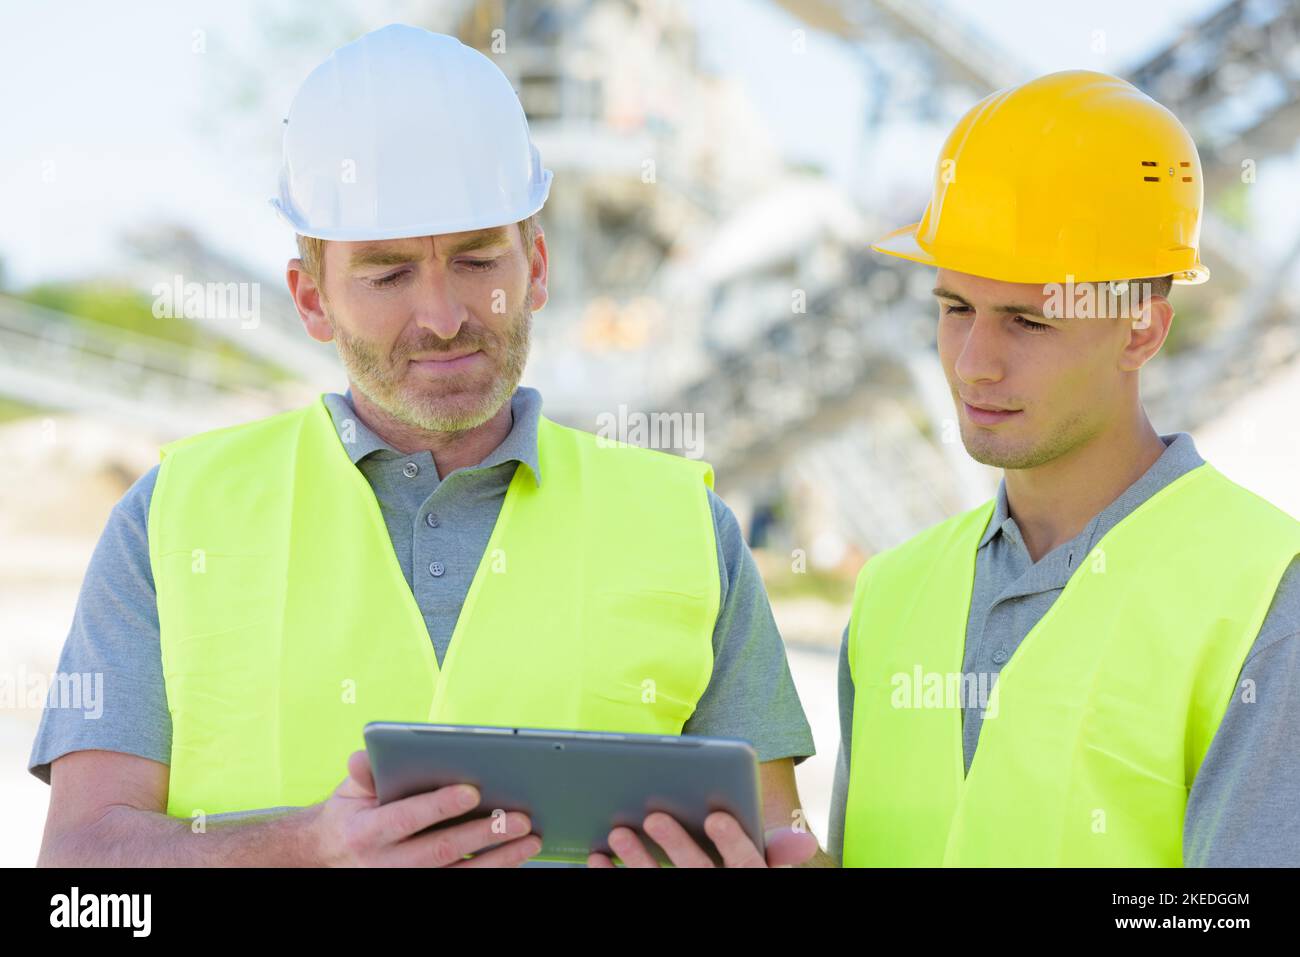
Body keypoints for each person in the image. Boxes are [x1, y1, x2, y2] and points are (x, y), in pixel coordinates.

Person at [31, 23, 823, 869]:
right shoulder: (170, 521)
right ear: (310, 298)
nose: (444, 315)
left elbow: (789, 841)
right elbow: (80, 880)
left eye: (479, 258)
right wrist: (308, 843)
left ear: (538, 267)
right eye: (388, 273)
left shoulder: (688, 531)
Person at [830, 70, 1300, 866]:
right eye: (955, 309)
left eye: (1028, 320)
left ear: (1141, 331)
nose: (975, 364)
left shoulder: (1264, 597)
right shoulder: (891, 594)